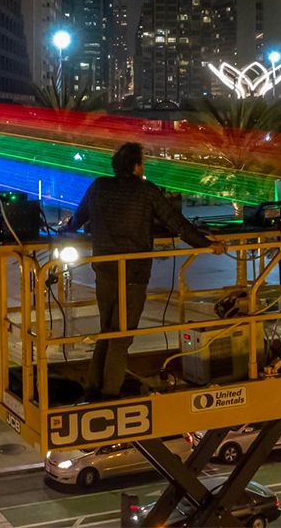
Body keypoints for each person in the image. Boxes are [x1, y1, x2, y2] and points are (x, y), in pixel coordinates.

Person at [66, 142, 216, 400]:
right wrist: (209, 245)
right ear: (137, 166)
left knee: (107, 330)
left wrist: (63, 230)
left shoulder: (99, 186)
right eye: (142, 162)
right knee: (122, 335)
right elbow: (176, 223)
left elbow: (77, 220)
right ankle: (109, 393)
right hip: (133, 274)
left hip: (104, 271)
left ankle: (93, 385)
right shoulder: (146, 191)